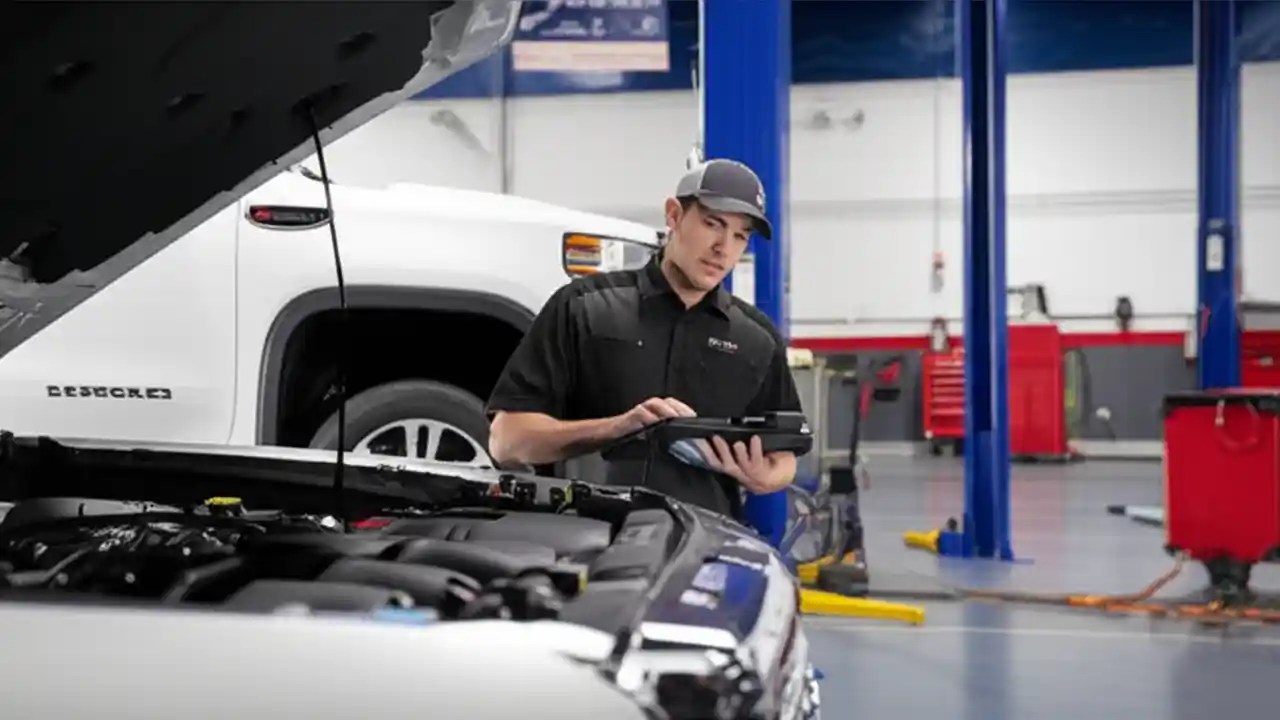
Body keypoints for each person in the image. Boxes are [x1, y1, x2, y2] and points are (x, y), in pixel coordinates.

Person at [484, 158, 803, 520]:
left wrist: (764, 478)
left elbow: (784, 459)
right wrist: (617, 428)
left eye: (740, 235)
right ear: (673, 214)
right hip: (587, 548)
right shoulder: (583, 309)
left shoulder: (756, 340)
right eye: (713, 223)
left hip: (704, 551)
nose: (724, 248)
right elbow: (506, 441)